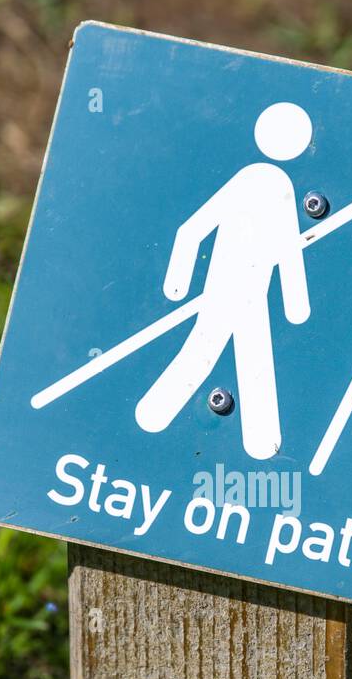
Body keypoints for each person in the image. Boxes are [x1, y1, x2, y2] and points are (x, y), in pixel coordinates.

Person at [134, 102, 314, 461]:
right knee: (206, 350)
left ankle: (263, 442)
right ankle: (153, 413)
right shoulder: (257, 182)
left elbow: (288, 247)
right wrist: (177, 281)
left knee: (247, 355)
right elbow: (195, 228)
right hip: (226, 287)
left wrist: (296, 303)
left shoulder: (274, 184)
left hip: (253, 292)